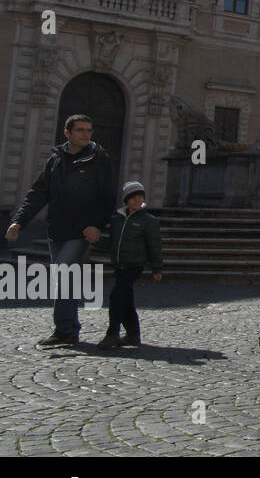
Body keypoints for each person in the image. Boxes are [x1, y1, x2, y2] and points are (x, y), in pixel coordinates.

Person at [6, 114, 117, 347]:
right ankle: (69, 329)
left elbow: (107, 197)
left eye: (89, 130)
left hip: (82, 230)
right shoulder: (55, 160)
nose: (86, 134)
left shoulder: (99, 159)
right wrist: (19, 221)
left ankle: (64, 329)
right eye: (80, 130)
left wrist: (97, 224)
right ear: (67, 133)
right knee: (63, 277)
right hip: (57, 228)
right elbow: (38, 193)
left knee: (63, 272)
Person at [94, 181, 163, 349]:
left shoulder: (148, 220)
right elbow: (112, 242)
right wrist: (95, 242)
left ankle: (112, 334)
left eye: (140, 197)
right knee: (126, 299)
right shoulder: (117, 219)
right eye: (133, 197)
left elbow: (154, 245)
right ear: (126, 199)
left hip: (134, 264)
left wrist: (157, 268)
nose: (137, 200)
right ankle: (133, 335)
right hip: (119, 264)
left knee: (116, 297)